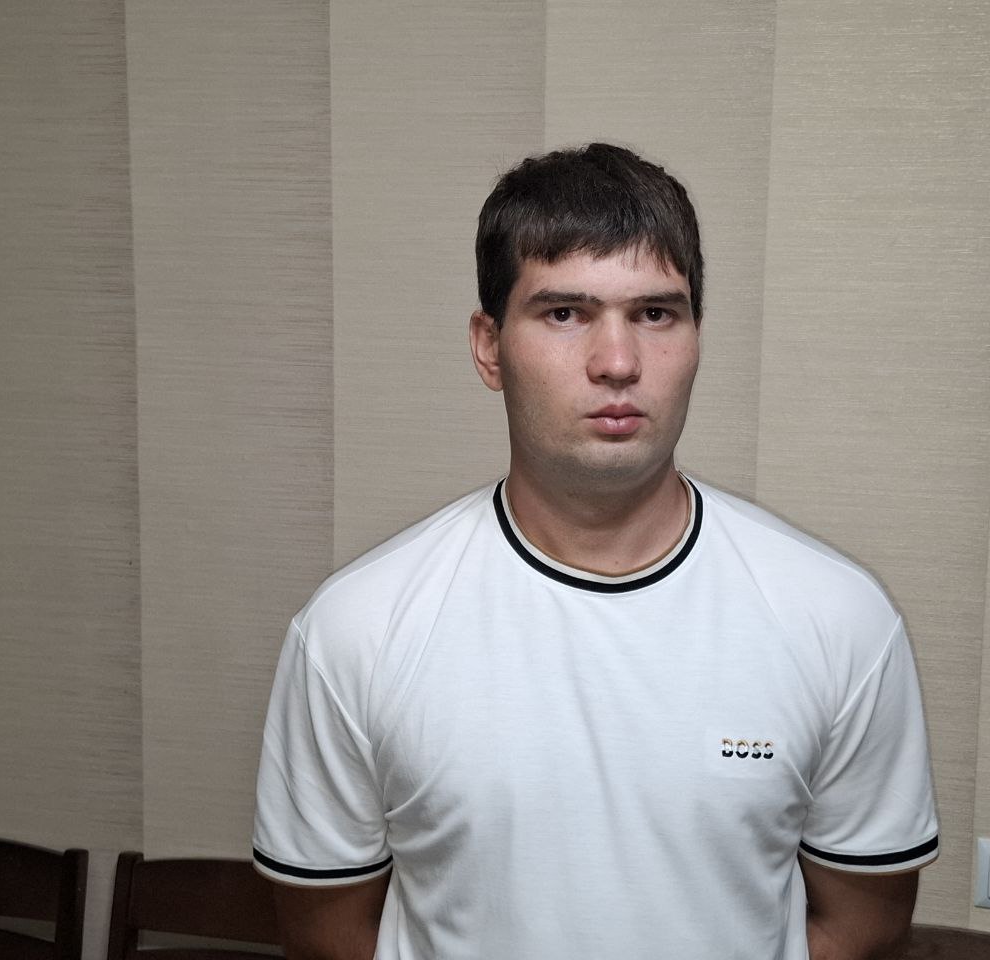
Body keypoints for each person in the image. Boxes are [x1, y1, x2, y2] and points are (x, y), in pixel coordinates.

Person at [252, 142, 939, 960]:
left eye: (655, 314)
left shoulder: (839, 617)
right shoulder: (355, 630)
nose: (618, 363)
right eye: (564, 313)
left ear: (696, 337)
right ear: (489, 346)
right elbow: (328, 934)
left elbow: (861, 926)